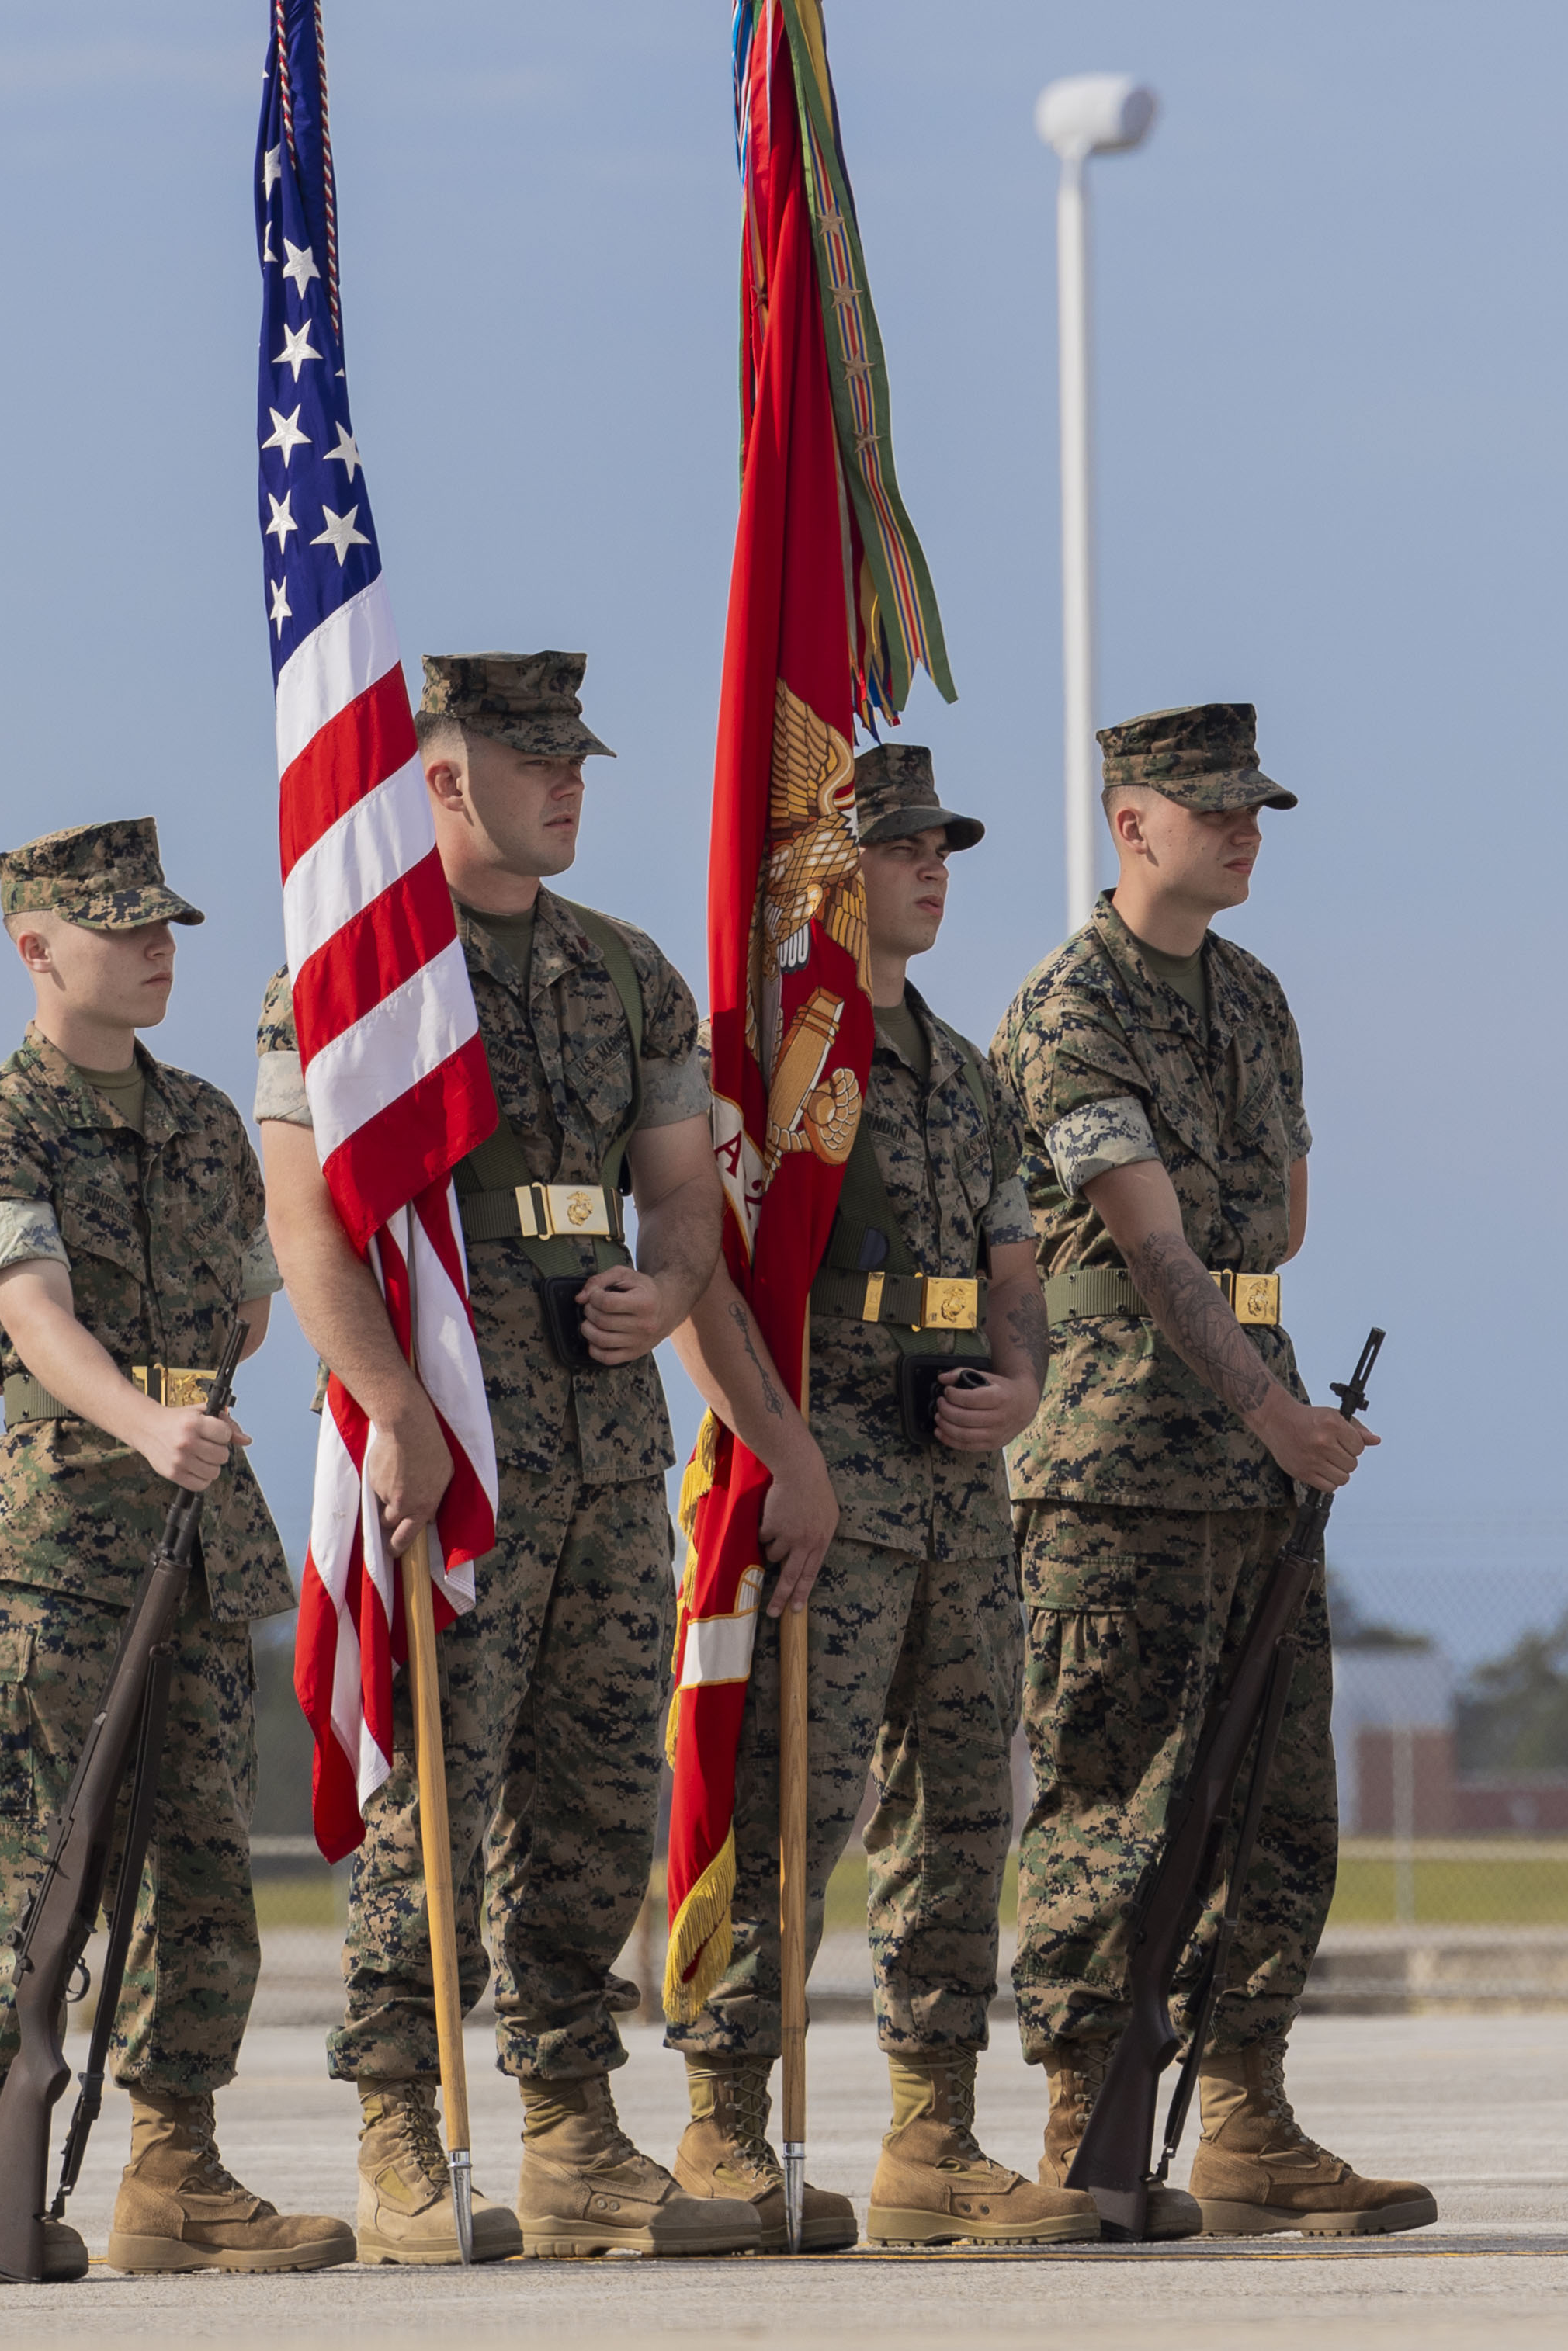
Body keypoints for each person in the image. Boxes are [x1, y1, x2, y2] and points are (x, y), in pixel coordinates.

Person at [258, 651, 765, 2263]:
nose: (570, 783)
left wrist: (671, 1283)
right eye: (532, 758)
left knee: (594, 1794)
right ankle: (403, 2129)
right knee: (433, 1787)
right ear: (440, 779)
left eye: (576, 759)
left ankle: (567, 2127)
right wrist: (391, 1405)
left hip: (608, 1444)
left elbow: (683, 1190)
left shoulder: (627, 976)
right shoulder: (353, 977)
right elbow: (309, 1223)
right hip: (452, 1444)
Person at [989, 705, 1438, 2238]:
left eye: (1257, 811)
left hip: (1252, 1446)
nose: (1246, 833)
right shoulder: (1067, 1008)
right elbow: (1153, 1241)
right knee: (1116, 1793)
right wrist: (1270, 1416)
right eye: (1215, 810)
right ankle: (1082, 2112)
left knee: (1275, 1795)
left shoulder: (1252, 999)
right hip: (1117, 1449)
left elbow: (1283, 1225)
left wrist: (1269, 1426)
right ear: (1132, 822)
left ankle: (1245, 2111)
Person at [663, 744, 1100, 2249]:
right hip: (820, 1453)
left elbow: (1015, 1267)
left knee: (962, 1800)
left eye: (940, 846)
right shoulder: (774, 1056)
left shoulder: (961, 1071)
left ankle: (933, 2132)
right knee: (794, 1788)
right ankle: (722, 2118)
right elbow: (709, 1262)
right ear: (825, 869)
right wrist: (780, 1449)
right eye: (900, 844)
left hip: (954, 1465)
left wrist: (1023, 1384)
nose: (932, 868)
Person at [0, 817, 351, 2281]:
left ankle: (179, 2172)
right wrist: (126, 1406)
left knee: (204, 1867)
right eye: (122, 927)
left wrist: (171, 1397)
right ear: (37, 948)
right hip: (57, 1549)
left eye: (165, 923)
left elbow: (243, 1307)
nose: (159, 946)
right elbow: (34, 1307)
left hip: (198, 1538)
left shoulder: (211, 1123)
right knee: (26, 1864)